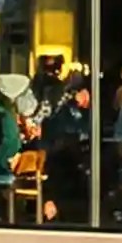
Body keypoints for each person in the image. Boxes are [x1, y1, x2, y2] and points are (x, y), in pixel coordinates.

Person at [41, 86, 91, 222]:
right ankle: (52, 205)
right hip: (65, 156)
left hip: (76, 157)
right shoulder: (67, 112)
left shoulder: (89, 114)